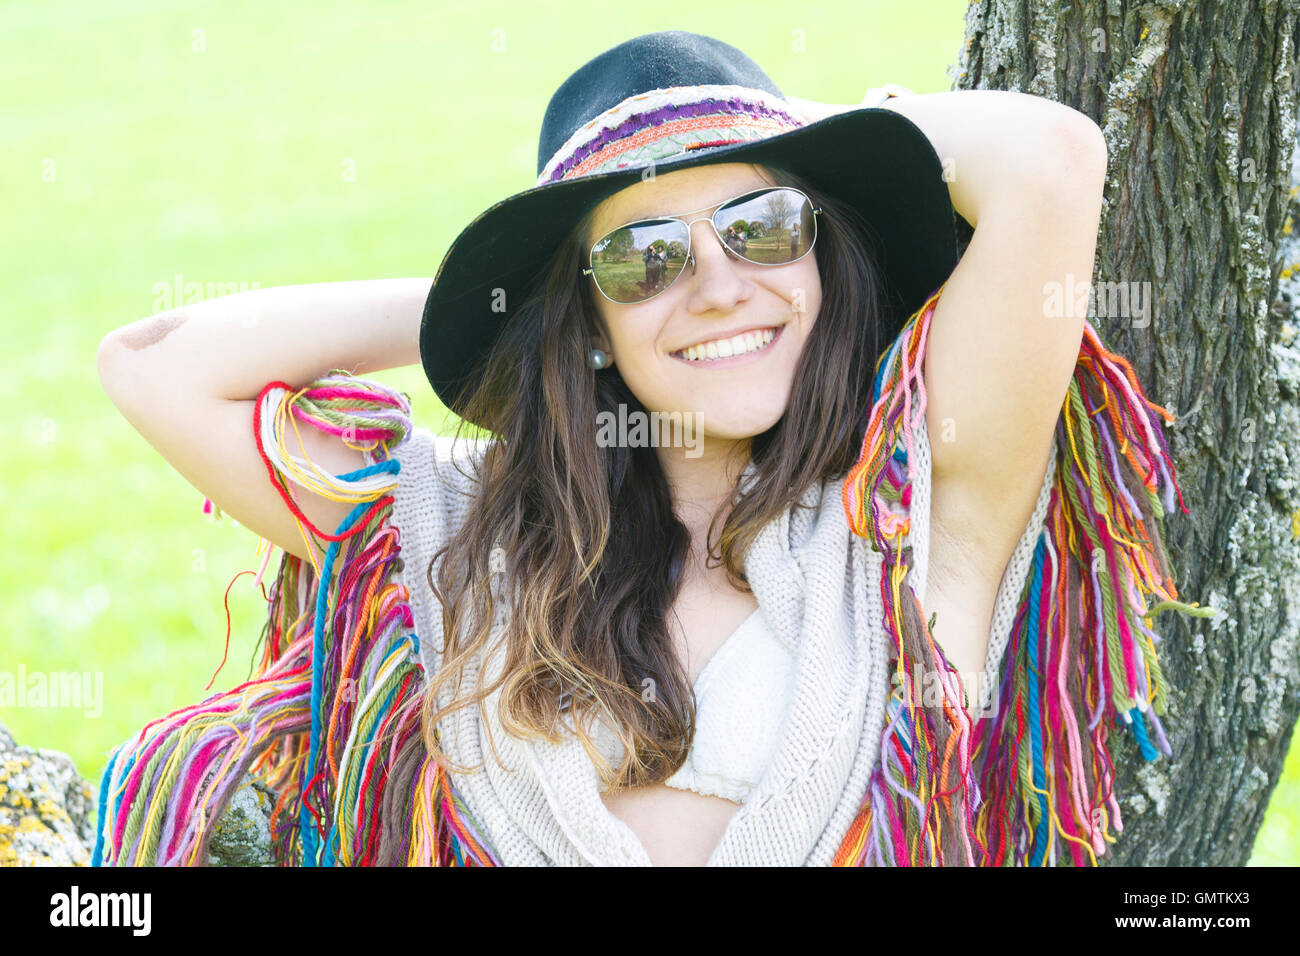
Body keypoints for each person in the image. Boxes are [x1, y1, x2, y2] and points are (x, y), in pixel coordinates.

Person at [94, 31, 1201, 867]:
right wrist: (511, 295)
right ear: (587, 317)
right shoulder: (456, 540)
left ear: (821, 255)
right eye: (644, 259)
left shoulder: (915, 517)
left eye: (763, 226)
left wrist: (795, 129)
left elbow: (1052, 159)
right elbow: (155, 364)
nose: (720, 286)